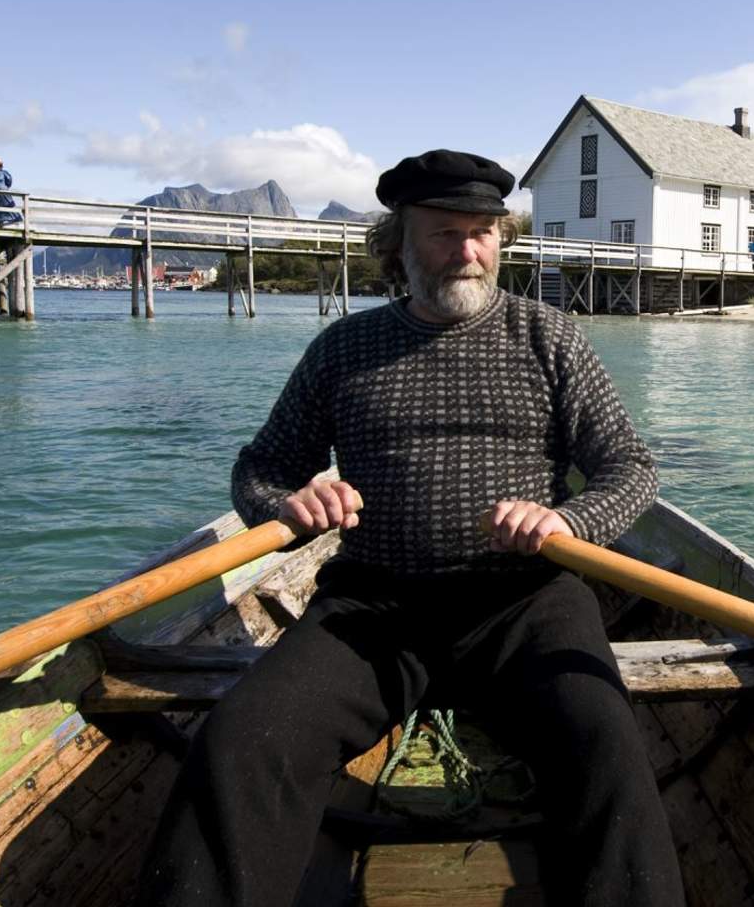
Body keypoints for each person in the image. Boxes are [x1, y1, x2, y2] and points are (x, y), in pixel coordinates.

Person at [139, 150, 680, 907]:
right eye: (443, 233)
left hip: (525, 604)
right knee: (243, 739)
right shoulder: (342, 350)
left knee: (607, 744)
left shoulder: (549, 337)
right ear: (399, 245)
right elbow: (260, 470)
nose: (467, 251)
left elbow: (631, 468)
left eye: (482, 232)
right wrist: (288, 506)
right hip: (373, 610)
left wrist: (566, 519)